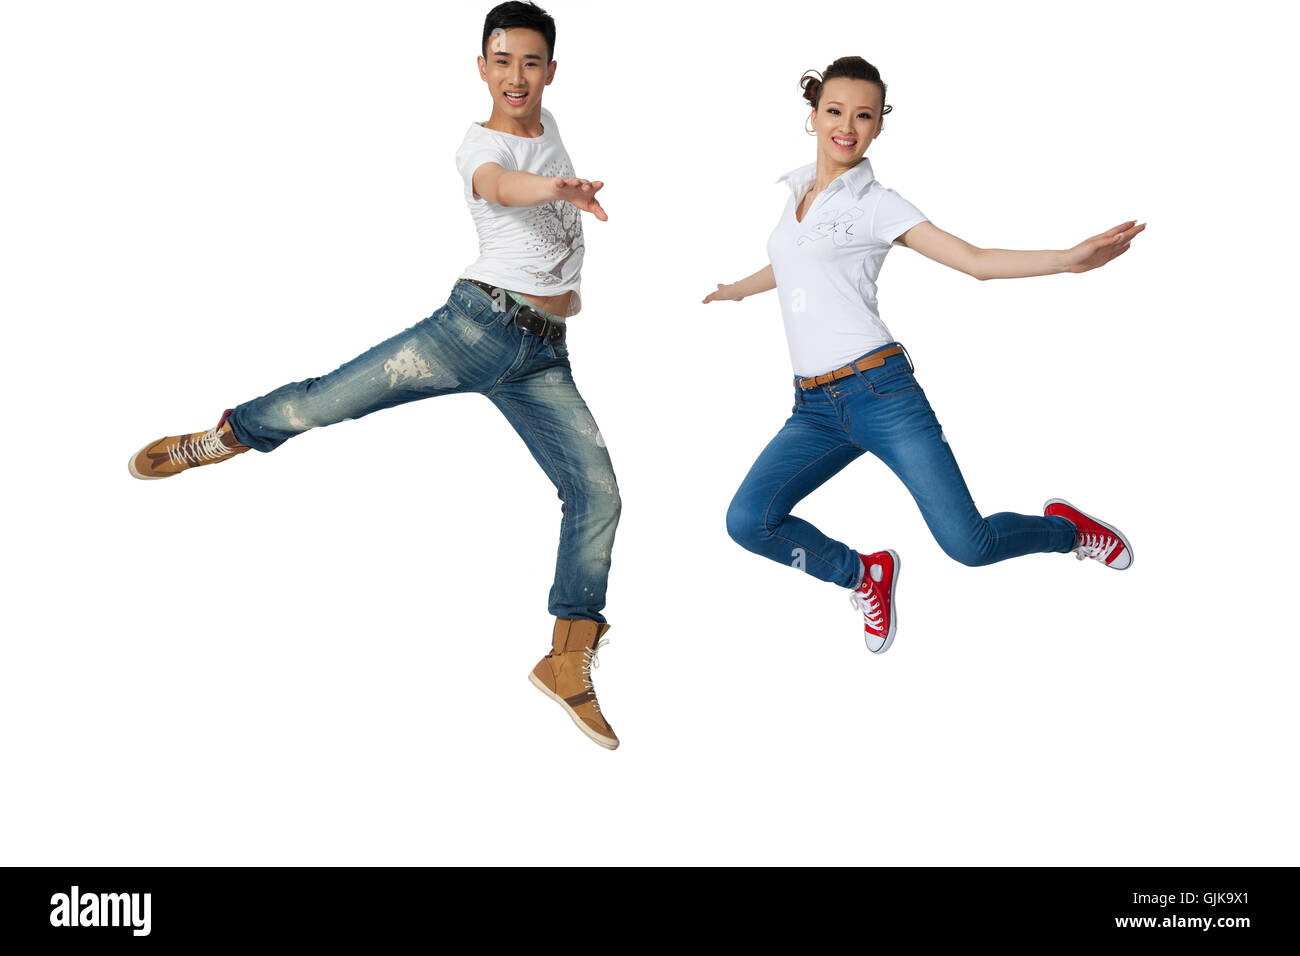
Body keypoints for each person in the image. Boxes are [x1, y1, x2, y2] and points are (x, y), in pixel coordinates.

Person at [127, 2, 623, 749]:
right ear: (481, 67)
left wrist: (567, 280)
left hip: (543, 354)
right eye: (502, 60)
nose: (515, 75)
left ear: (551, 71)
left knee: (599, 491)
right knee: (328, 400)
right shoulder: (479, 143)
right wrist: (557, 192)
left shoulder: (548, 128)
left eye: (530, 62)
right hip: (472, 328)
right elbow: (496, 187)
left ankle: (566, 657)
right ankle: (222, 437)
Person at [708, 56, 1140, 654]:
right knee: (747, 522)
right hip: (814, 409)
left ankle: (1067, 531)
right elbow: (792, 262)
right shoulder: (796, 195)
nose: (847, 126)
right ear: (813, 115)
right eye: (834, 111)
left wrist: (1067, 259)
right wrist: (737, 289)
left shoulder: (879, 203)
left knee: (971, 547)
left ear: (878, 126)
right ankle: (862, 574)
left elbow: (975, 261)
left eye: (863, 115)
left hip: (881, 394)